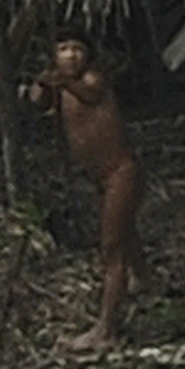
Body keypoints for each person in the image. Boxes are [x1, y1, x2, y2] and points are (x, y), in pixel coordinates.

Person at [28, 36, 145, 350]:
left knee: (112, 248)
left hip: (121, 173)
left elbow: (90, 94)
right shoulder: (61, 85)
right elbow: (39, 102)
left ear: (89, 54)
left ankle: (106, 331)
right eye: (63, 49)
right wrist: (42, 85)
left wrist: (61, 80)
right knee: (125, 232)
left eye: (78, 49)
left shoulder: (92, 79)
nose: (71, 55)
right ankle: (146, 280)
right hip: (100, 178)